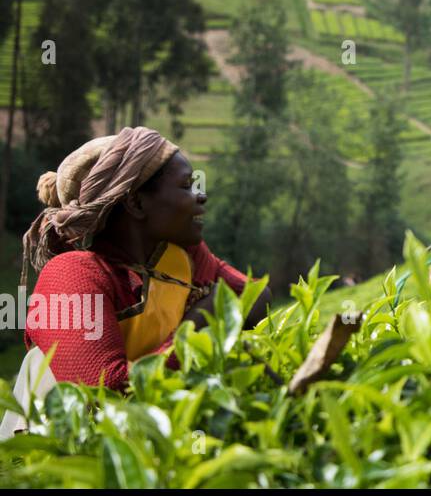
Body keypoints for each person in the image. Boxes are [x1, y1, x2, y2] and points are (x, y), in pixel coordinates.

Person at [4, 126, 268, 419]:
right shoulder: (72, 276)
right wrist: (201, 321)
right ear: (136, 202)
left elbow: (256, 296)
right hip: (58, 454)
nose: (201, 195)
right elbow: (108, 393)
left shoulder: (179, 255)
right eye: (186, 186)